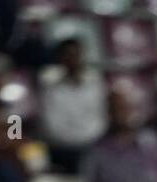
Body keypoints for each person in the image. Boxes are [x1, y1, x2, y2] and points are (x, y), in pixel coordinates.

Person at [40, 37, 108, 174]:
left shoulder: (97, 86)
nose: (73, 60)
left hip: (92, 147)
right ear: (60, 59)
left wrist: (87, 139)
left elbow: (101, 120)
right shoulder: (49, 89)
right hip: (60, 149)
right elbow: (51, 126)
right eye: (68, 55)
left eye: (76, 55)